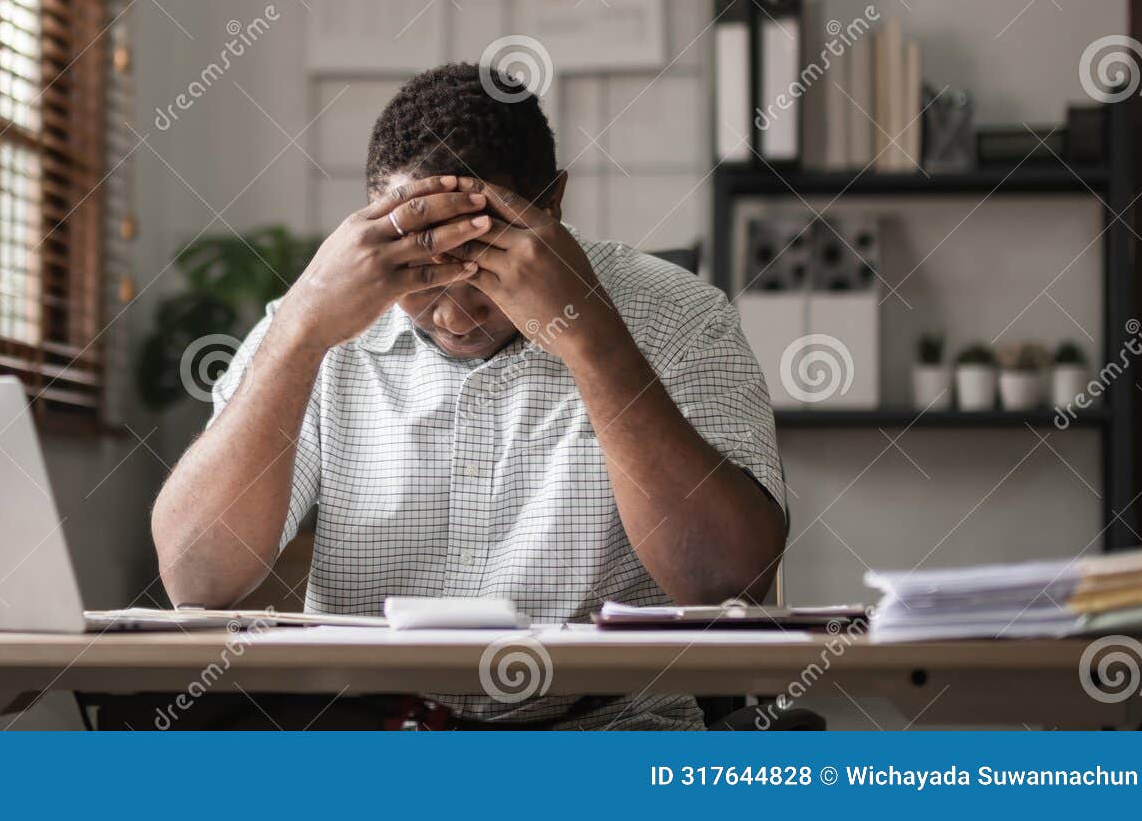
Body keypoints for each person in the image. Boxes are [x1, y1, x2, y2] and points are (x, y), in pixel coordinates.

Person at [150, 62, 786, 729]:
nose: (454, 318)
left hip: (612, 739)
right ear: (371, 221)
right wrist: (300, 333)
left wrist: (590, 338)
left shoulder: (682, 318)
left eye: (484, 268)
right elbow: (196, 578)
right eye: (420, 274)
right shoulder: (310, 323)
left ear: (553, 207)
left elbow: (727, 584)